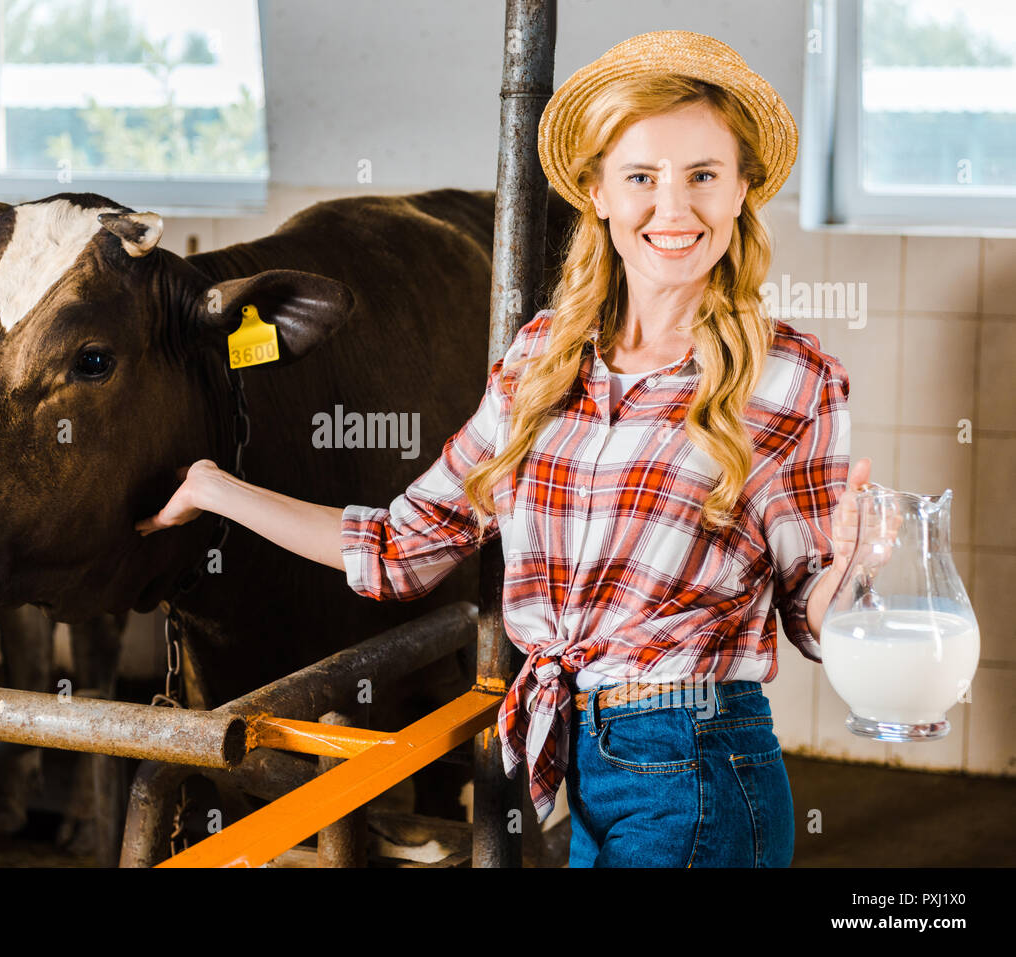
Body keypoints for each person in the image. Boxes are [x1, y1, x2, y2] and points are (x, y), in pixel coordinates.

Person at [135, 29, 874, 868]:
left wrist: (849, 586)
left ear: (742, 190)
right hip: (581, 763)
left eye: (703, 175)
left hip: (701, 764)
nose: (674, 209)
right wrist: (214, 487)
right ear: (596, 192)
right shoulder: (543, 355)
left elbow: (811, 610)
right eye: (642, 177)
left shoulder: (790, 376)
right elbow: (401, 548)